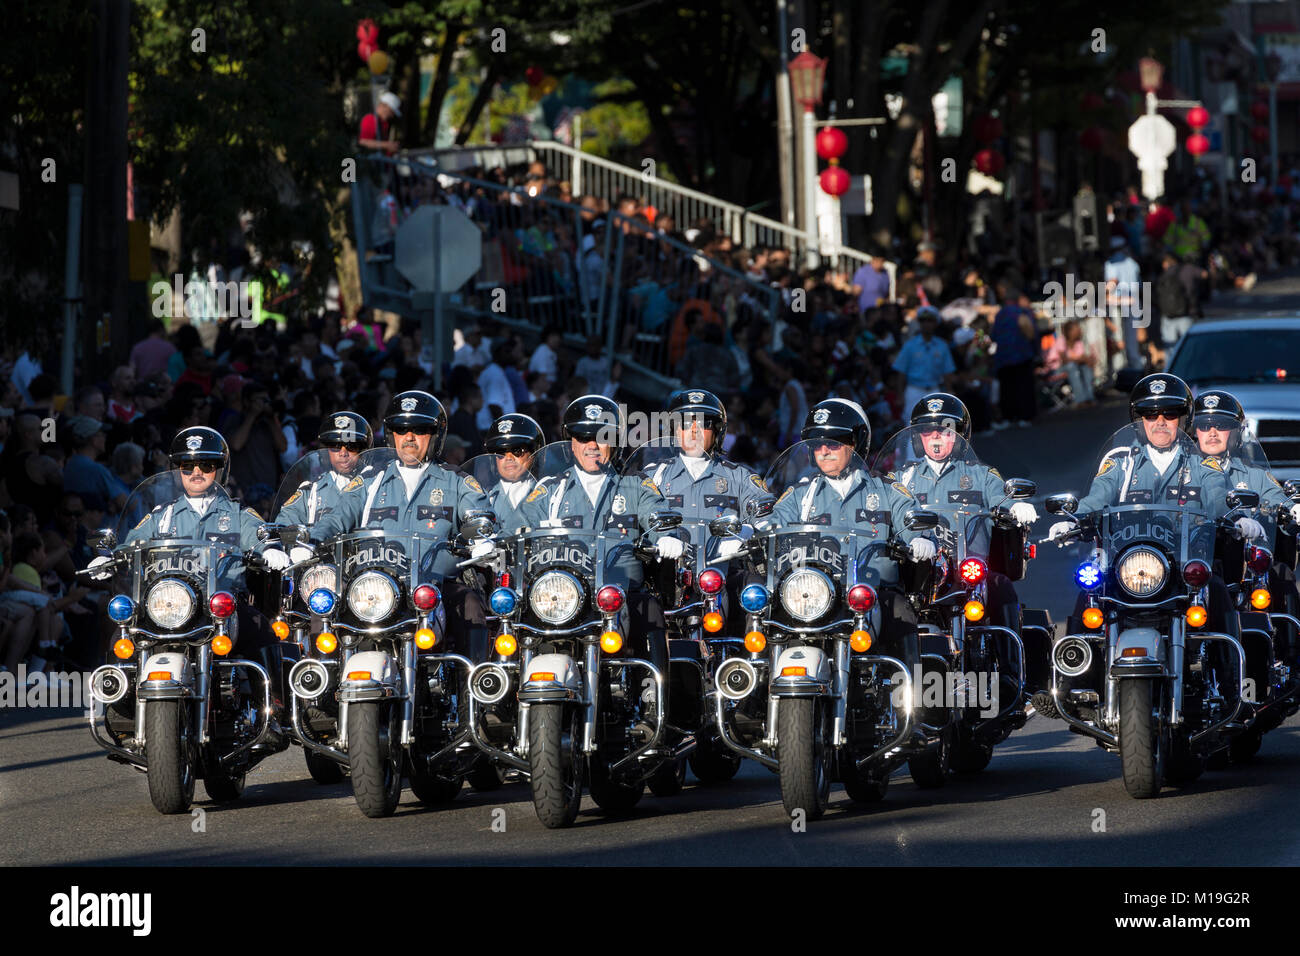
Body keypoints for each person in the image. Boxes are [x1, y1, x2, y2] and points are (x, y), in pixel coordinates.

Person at [517, 394, 683, 717]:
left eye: (601, 436)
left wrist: (666, 537)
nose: (592, 444)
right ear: (571, 443)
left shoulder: (636, 485)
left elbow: (658, 513)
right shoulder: (550, 490)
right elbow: (519, 524)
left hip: (618, 594)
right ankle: (505, 706)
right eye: (583, 437)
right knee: (515, 620)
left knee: (649, 608)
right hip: (563, 597)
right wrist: (493, 540)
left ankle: (655, 701)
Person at [313, 391, 492, 661]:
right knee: (323, 604)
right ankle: (320, 693)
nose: (409, 437)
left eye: (420, 429)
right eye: (401, 429)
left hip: (435, 587)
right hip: (375, 586)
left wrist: (481, 537)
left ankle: (475, 693)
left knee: (470, 605)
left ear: (436, 436)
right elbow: (336, 516)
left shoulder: (456, 481)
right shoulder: (368, 481)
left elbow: (478, 514)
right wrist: (311, 540)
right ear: (391, 435)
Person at [889, 393, 1038, 686]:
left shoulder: (981, 475)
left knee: (1001, 586)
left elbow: (1000, 498)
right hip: (921, 576)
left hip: (968, 573)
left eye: (944, 431)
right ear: (917, 437)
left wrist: (1014, 506)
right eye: (927, 432)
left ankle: (1011, 677)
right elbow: (881, 510)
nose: (935, 438)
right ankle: (886, 680)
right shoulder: (902, 479)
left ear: (958, 436)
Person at [641, 389, 771, 615]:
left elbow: (771, 515)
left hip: (723, 575)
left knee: (755, 594)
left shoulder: (739, 476)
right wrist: (659, 537)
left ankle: (752, 652)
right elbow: (630, 518)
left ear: (718, 431)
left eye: (703, 423)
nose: (693, 430)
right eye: (684, 423)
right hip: (666, 577)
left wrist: (747, 530)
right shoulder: (654, 476)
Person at [276, 411, 375, 529]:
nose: (343, 453)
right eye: (336, 447)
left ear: (364, 450)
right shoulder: (312, 490)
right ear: (326, 450)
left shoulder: (378, 485)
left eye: (351, 446)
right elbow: (286, 518)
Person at [482, 412, 545, 533]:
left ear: (535, 454)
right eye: (501, 453)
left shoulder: (551, 494)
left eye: (517, 450)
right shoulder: (483, 498)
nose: (509, 457)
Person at [892, 306, 956, 417]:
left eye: (930, 320)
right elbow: (901, 372)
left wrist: (949, 391)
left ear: (936, 323)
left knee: (934, 425)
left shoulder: (942, 345)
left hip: (934, 390)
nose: (926, 324)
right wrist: (900, 395)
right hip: (914, 390)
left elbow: (947, 372)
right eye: (923, 320)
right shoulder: (910, 345)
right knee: (911, 423)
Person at [359, 90, 401, 154]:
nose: (392, 115)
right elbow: (363, 142)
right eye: (391, 111)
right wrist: (387, 145)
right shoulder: (370, 119)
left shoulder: (383, 122)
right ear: (384, 106)